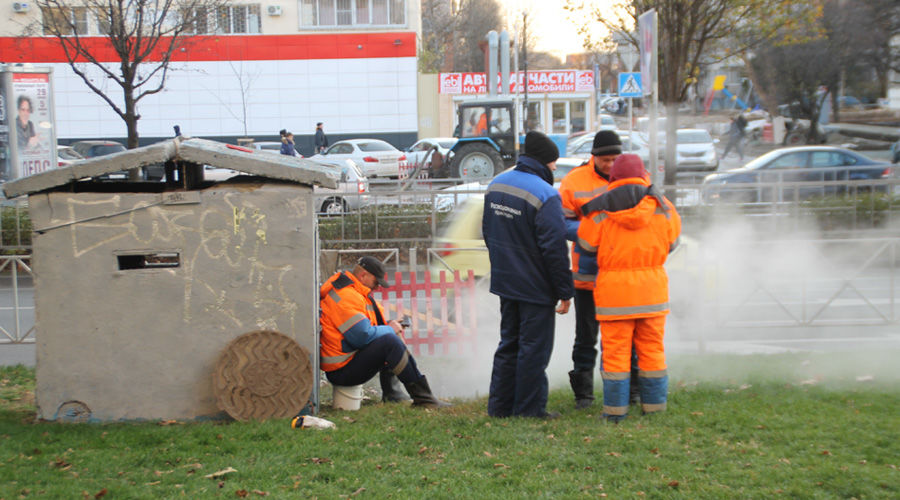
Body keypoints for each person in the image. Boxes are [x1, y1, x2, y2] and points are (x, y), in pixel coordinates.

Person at [576, 154, 681, 423]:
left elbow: (586, 245)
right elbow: (673, 242)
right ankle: (654, 409)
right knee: (652, 351)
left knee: (616, 355)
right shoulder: (663, 205)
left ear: (613, 177)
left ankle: (614, 413)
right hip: (652, 293)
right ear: (643, 175)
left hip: (614, 296)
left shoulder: (600, 208)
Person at [482, 131, 574, 419]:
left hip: (506, 281)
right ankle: (529, 409)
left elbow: (488, 232)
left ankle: (500, 407)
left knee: (508, 344)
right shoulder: (546, 195)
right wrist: (564, 291)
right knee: (534, 349)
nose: (555, 167)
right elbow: (554, 249)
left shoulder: (496, 185)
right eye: (554, 162)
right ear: (544, 161)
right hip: (535, 287)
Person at [319, 256, 450, 408]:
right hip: (341, 372)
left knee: (389, 337)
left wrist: (389, 326)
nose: (377, 287)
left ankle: (394, 394)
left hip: (345, 364)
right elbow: (362, 336)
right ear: (363, 275)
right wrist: (389, 328)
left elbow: (366, 327)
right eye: (376, 282)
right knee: (389, 341)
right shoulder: (346, 295)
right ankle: (423, 398)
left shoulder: (354, 293)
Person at [558, 130, 620, 409]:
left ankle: (623, 390)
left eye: (615, 159)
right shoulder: (574, 181)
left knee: (619, 338)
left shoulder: (633, 178)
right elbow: (562, 223)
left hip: (620, 275)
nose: (610, 165)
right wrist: (595, 232)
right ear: (593, 157)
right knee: (586, 337)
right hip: (587, 276)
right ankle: (583, 395)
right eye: (605, 160)